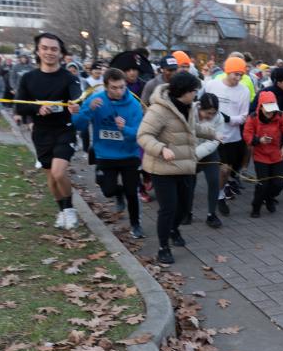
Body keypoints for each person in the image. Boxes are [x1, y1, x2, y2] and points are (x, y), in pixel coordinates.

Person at [15, 33, 82, 230]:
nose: (49, 52)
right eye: (45, 48)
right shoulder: (28, 78)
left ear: (61, 53)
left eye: (54, 49)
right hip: (41, 133)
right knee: (51, 178)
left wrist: (75, 105)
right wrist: (37, 109)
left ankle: (70, 209)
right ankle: (61, 210)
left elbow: (77, 98)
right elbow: (19, 107)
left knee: (59, 172)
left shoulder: (69, 78)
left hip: (64, 130)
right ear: (38, 51)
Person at [137, 72, 206, 265]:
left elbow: (193, 129)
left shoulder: (189, 107)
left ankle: (174, 229)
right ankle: (163, 248)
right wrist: (161, 149)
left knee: (184, 208)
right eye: (194, 91)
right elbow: (143, 136)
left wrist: (213, 134)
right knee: (168, 208)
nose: (196, 94)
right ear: (183, 91)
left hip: (185, 166)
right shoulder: (159, 110)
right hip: (163, 168)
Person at [74, 68, 145, 239]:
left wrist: (125, 129)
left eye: (121, 87)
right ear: (106, 87)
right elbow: (78, 125)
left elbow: (139, 134)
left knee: (131, 191)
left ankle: (136, 224)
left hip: (129, 154)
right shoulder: (95, 100)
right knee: (107, 190)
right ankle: (117, 193)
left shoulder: (134, 105)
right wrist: (88, 110)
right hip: (105, 154)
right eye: (114, 87)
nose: (119, 91)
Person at [203, 56, 251, 215]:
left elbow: (244, 116)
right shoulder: (212, 85)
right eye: (235, 74)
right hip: (210, 134)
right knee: (216, 170)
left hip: (232, 137)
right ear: (227, 71)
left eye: (241, 75)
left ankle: (220, 193)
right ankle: (216, 196)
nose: (238, 78)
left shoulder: (243, 90)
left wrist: (229, 119)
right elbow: (201, 104)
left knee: (226, 170)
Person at [244, 90, 283, 217]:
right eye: (267, 110)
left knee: (279, 184)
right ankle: (256, 206)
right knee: (263, 184)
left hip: (277, 155)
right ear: (260, 107)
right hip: (260, 156)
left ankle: (268, 198)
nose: (270, 113)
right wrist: (258, 140)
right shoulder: (253, 117)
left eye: (272, 110)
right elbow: (247, 135)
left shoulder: (281, 115)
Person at [192, 92, 225, 229]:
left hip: (209, 152)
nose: (210, 116)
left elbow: (214, 141)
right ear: (199, 107)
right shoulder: (189, 112)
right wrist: (190, 154)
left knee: (214, 181)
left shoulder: (219, 118)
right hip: (189, 151)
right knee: (188, 183)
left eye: (213, 113)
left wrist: (196, 154)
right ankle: (187, 212)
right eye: (208, 113)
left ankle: (211, 214)